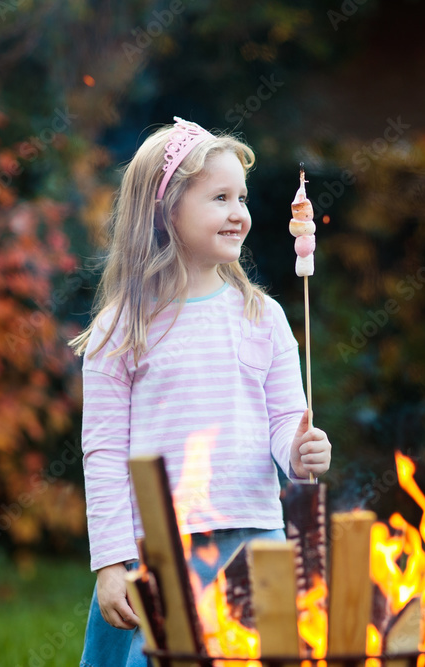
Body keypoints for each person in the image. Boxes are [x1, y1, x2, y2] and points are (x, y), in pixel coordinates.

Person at [68, 117, 332, 667]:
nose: (240, 212)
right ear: (167, 212)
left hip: (252, 541)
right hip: (158, 550)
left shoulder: (264, 316)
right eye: (219, 197)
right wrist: (111, 564)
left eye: (242, 196)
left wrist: (300, 451)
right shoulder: (122, 329)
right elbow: (104, 454)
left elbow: (286, 418)